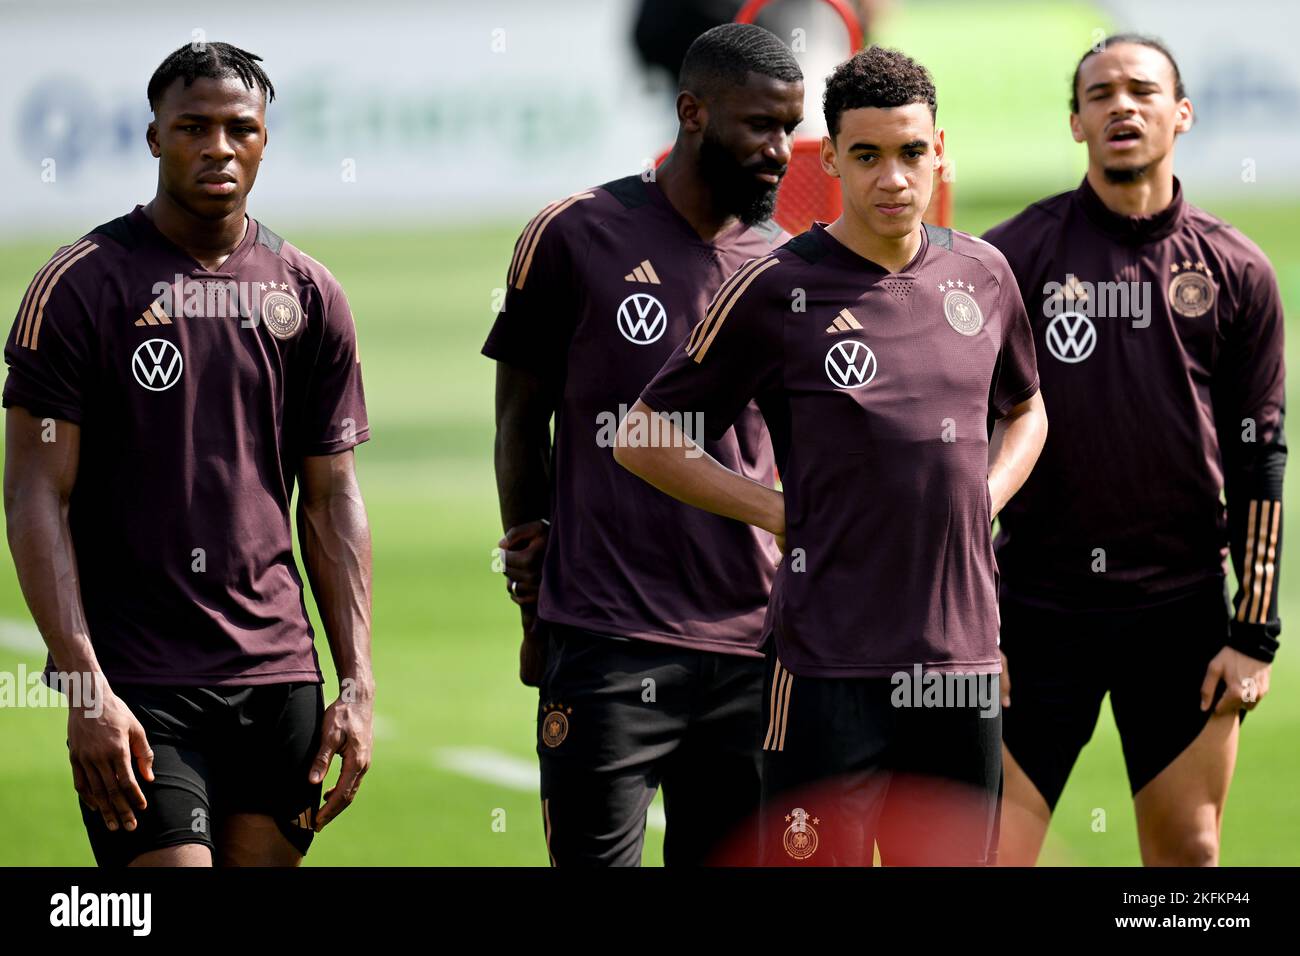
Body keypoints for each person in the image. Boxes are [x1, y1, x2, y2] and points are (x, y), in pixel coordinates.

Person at [616, 45, 1047, 865]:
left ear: (940, 149)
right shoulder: (778, 287)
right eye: (868, 156)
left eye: (912, 153)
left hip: (959, 665)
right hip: (824, 671)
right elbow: (643, 436)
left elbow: (1027, 409)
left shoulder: (984, 274)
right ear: (835, 161)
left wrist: (985, 495)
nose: (893, 178)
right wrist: (774, 509)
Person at [3, 42, 374, 866]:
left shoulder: (307, 293)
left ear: (266, 139)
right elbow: (34, 497)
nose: (218, 147)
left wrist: (356, 682)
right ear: (153, 137)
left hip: (279, 680)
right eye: (193, 127)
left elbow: (333, 497)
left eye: (240, 128)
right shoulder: (79, 288)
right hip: (139, 682)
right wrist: (83, 685)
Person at [484, 23, 802, 866]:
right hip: (606, 641)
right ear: (692, 113)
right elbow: (520, 423)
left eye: (791, 129)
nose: (780, 152)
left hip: (751, 649)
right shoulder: (572, 235)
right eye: (760, 127)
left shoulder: (784, 269)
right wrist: (534, 596)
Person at [983, 34, 1285, 866]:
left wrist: (1252, 630)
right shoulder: (1013, 259)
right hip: (1035, 608)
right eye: (1102, 94)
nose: (1123, 104)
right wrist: (969, 623)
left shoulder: (1237, 270)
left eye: (1143, 91)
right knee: (985, 852)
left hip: (1179, 610)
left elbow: (1261, 457)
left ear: (1180, 113)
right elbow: (963, 451)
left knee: (1187, 852)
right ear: (1075, 122)